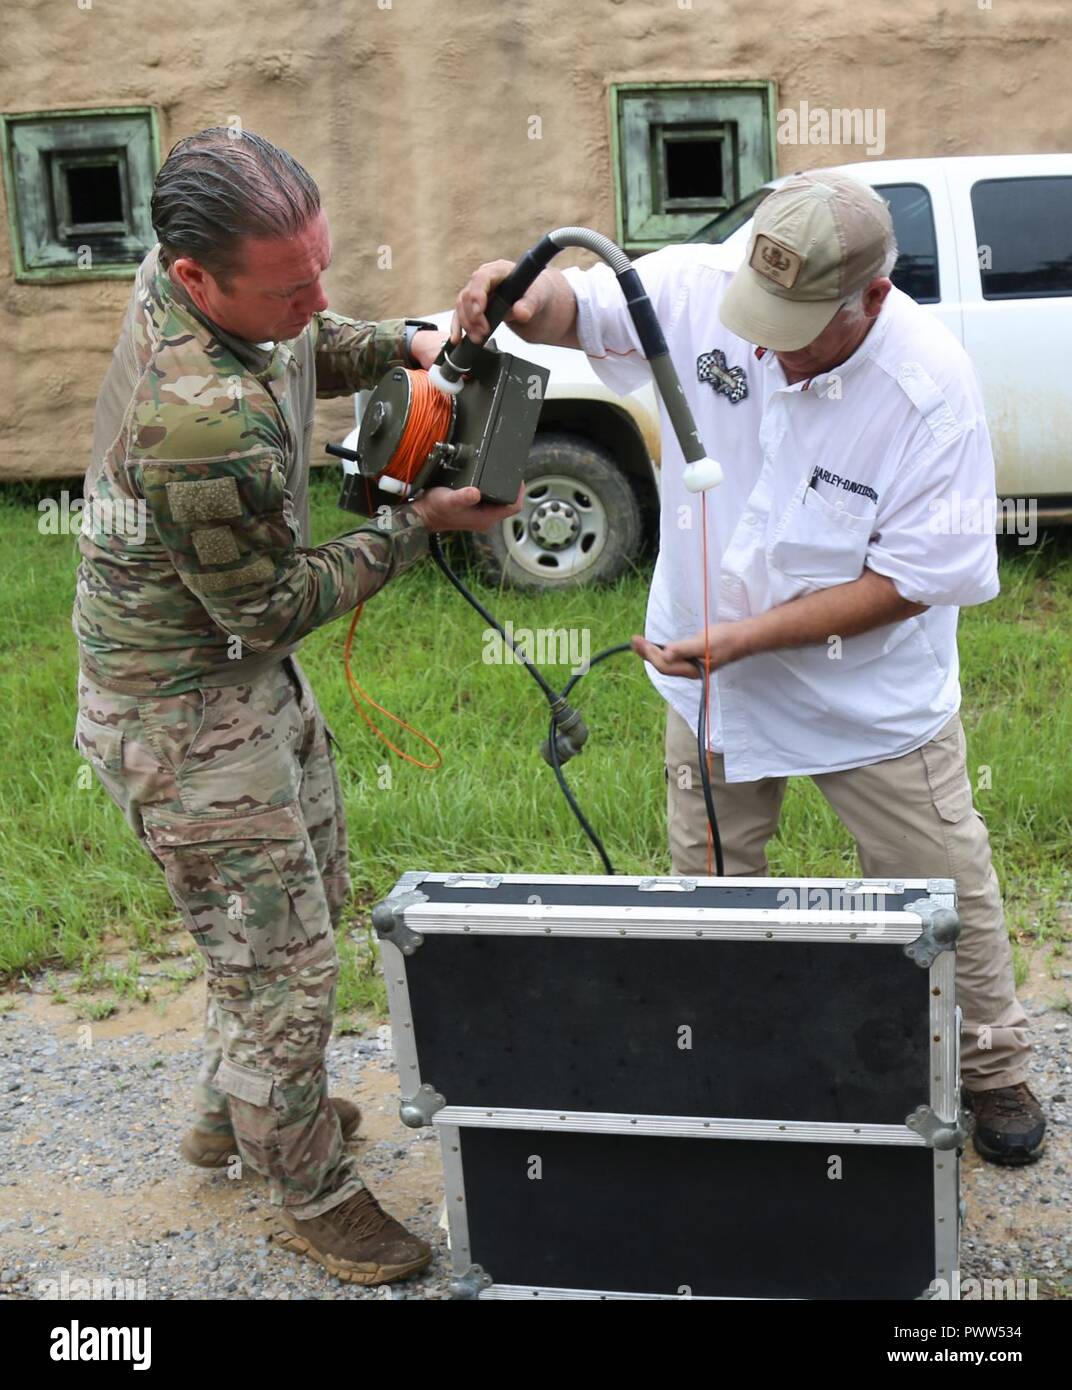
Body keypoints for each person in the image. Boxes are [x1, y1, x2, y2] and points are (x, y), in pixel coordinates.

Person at [454, 169, 1045, 1165]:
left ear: (872, 297)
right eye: (758, 311)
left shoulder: (929, 389)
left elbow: (909, 580)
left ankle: (991, 1067)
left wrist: (742, 637)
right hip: (712, 684)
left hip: (869, 700)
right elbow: (577, 310)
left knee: (942, 883)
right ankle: (723, 1056)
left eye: (796, 322)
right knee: (713, 888)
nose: (764, 341)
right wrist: (514, 294)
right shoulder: (698, 287)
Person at [73, 127, 520, 1286]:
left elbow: (310, 338)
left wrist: (409, 342)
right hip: (180, 710)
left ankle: (238, 1113)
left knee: (301, 907)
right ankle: (308, 1189)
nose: (314, 300)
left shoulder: (218, 280)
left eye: (319, 269)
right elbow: (271, 607)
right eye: (290, 286)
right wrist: (418, 528)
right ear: (193, 280)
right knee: (281, 961)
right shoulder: (199, 420)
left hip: (230, 678)